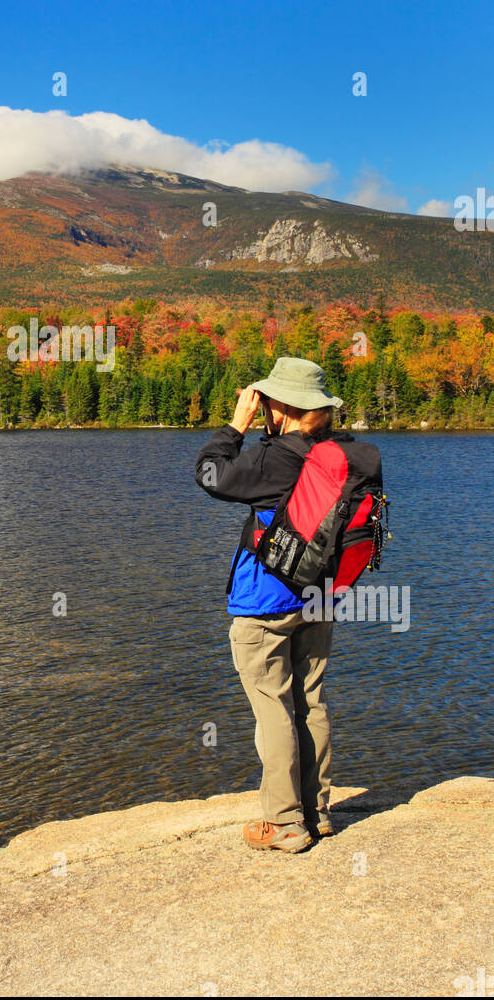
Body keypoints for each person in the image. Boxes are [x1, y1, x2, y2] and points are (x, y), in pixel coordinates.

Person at [195, 356, 346, 854]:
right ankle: (317, 811)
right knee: (311, 702)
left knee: (273, 710)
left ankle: (283, 824)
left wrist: (235, 425)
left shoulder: (275, 458)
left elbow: (211, 474)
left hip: (265, 605)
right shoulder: (336, 452)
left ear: (280, 406)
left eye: (267, 401)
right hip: (318, 597)